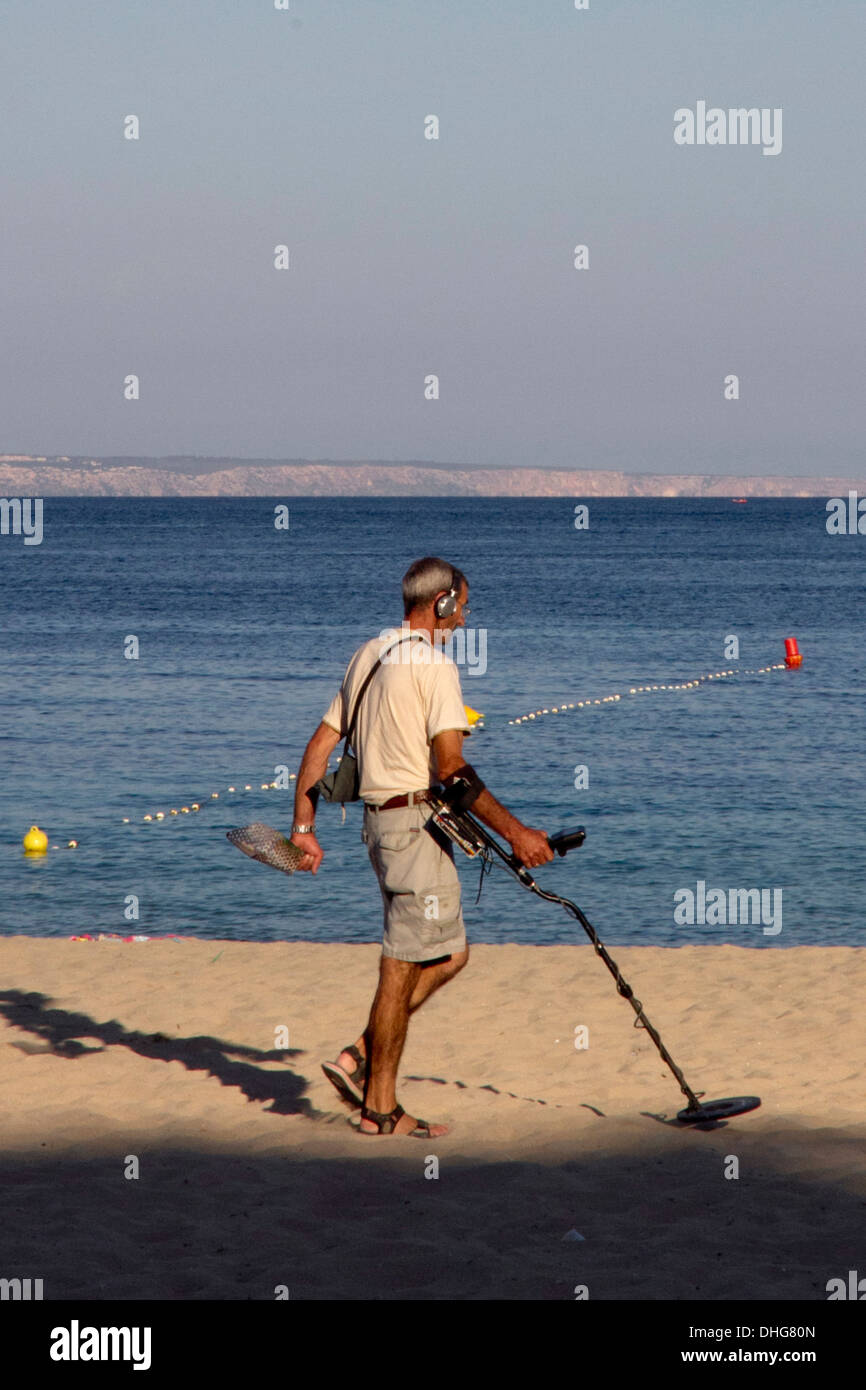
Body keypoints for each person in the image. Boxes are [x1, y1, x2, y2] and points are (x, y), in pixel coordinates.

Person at [290, 556, 553, 1137]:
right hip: (413, 828)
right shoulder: (434, 667)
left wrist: (303, 829)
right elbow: (453, 771)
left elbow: (317, 746)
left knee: (448, 954)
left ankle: (360, 1054)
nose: (464, 618)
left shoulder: (368, 655)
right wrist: (520, 835)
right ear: (441, 604)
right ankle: (379, 1109)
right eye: (463, 605)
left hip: (380, 831)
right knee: (399, 966)